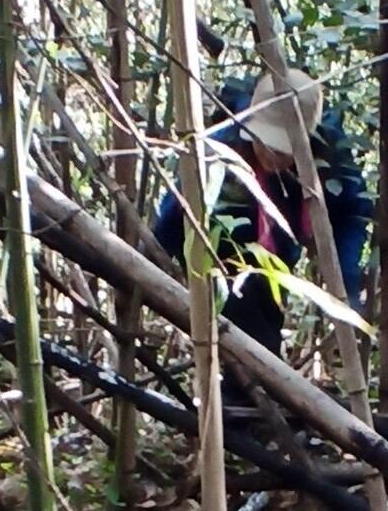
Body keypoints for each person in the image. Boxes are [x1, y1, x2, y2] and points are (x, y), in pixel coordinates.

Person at [154, 69, 373, 395]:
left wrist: (346, 282)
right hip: (222, 254)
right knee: (244, 325)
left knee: (267, 322)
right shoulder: (221, 146)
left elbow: (351, 215)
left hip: (278, 256)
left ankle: (254, 408)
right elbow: (174, 216)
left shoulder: (331, 158)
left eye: (284, 149)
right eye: (266, 142)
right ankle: (240, 407)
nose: (272, 155)